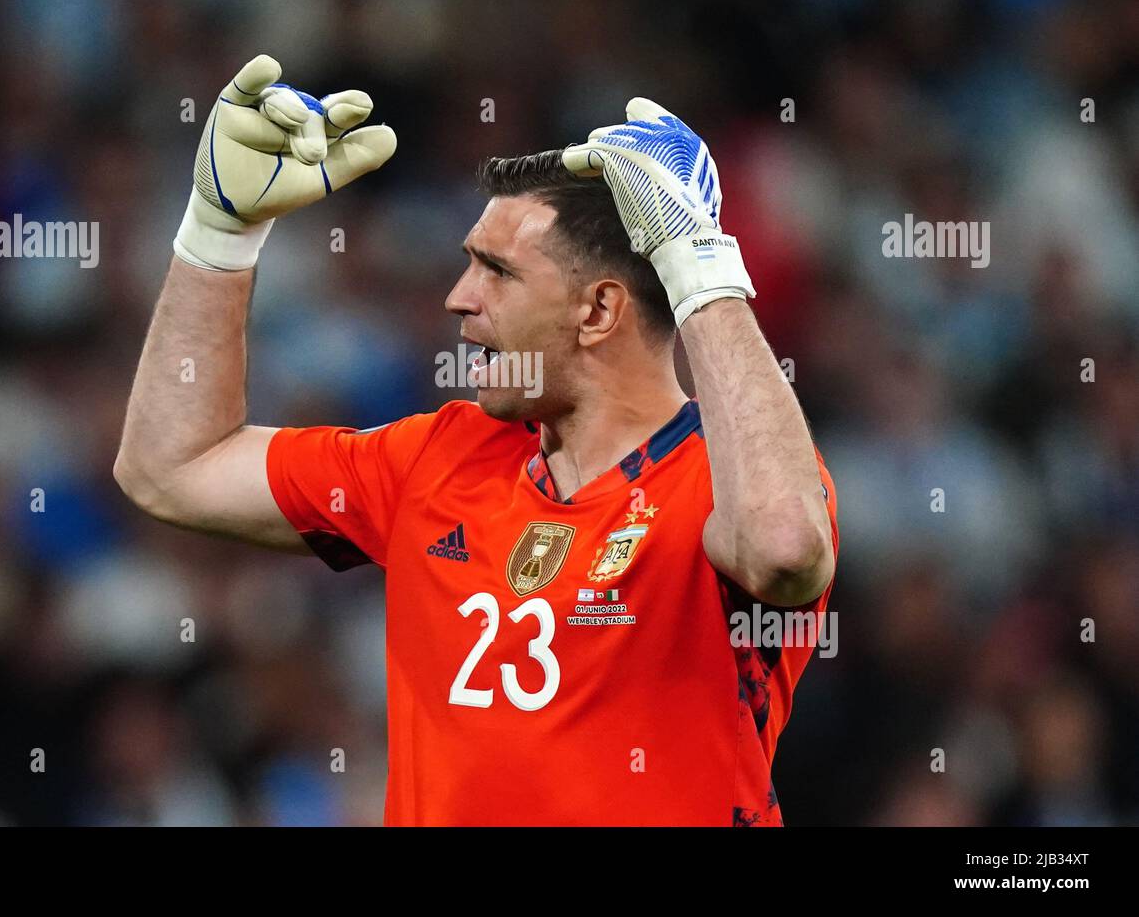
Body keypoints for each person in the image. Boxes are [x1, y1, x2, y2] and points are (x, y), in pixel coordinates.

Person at [115, 54, 839, 826]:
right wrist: (218, 236)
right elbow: (171, 467)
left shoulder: (725, 479)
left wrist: (700, 266)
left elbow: (787, 547)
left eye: (496, 272)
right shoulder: (439, 457)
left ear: (599, 311)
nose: (459, 300)